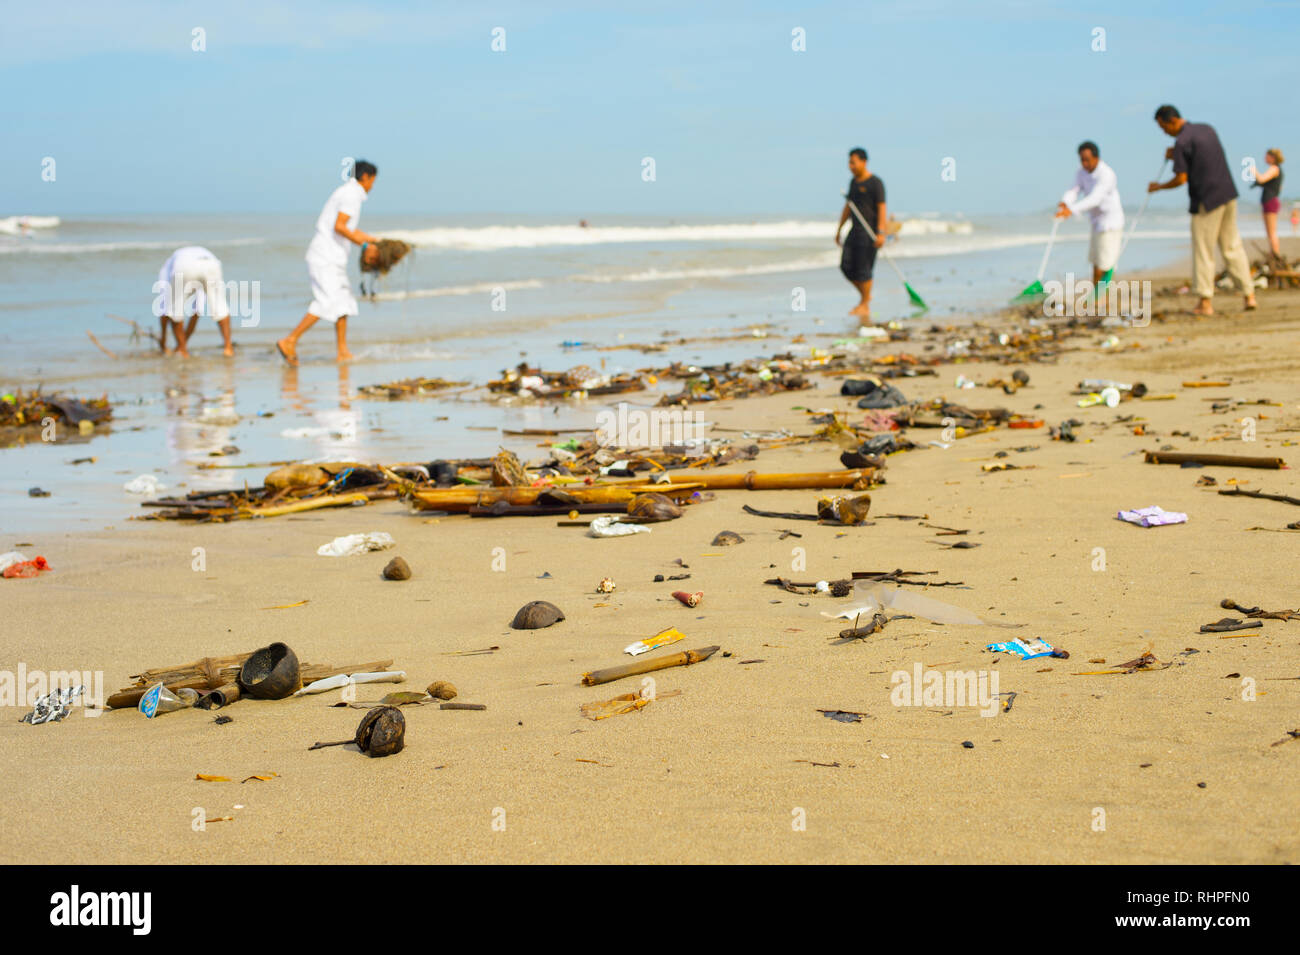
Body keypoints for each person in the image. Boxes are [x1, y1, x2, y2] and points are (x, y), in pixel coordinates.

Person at [1149, 106, 1256, 315]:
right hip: (1227, 194)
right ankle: (1249, 295)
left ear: (1170, 121)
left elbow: (1181, 178)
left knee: (1203, 251)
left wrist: (1158, 187)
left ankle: (1205, 302)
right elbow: (1201, 158)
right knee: (1232, 246)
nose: (1165, 132)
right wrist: (1177, 156)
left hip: (1206, 201)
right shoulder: (1206, 129)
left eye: (1163, 128)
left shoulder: (1181, 142)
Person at [277, 161, 382, 366]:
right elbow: (340, 227)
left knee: (344, 302)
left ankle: (342, 351)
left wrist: (373, 241)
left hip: (331, 257)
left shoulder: (346, 192)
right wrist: (364, 245)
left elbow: (348, 228)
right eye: (373, 181)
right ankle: (290, 340)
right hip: (326, 258)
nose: (372, 186)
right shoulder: (352, 195)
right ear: (366, 177)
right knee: (327, 302)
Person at [1056, 141, 1124, 286]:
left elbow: (1095, 199)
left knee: (1106, 263)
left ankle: (1102, 297)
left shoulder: (1107, 174)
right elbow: (1074, 189)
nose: (1084, 163)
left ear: (1096, 158)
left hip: (1110, 223)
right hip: (1096, 222)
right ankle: (1095, 294)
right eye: (1081, 159)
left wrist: (1071, 210)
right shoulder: (1081, 172)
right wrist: (1065, 202)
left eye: (1087, 159)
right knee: (1095, 261)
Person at [835, 147, 887, 319]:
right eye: (849, 162)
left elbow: (882, 208)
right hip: (854, 231)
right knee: (846, 267)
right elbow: (848, 208)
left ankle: (864, 304)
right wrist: (839, 229)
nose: (850, 166)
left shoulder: (875, 183)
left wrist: (881, 232)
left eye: (853, 162)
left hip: (870, 233)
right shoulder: (853, 183)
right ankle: (865, 297)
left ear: (864, 162)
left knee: (865, 270)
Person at [154, 246, 232, 358]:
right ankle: (228, 348)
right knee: (220, 306)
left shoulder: (166, 269)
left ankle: (183, 352)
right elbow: (197, 311)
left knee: (174, 309)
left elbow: (165, 310)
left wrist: (163, 341)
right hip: (211, 263)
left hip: (184, 266)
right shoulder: (187, 255)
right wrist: (183, 341)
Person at [1248, 149, 1284, 257]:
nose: (1264, 159)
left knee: (1272, 231)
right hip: (1269, 201)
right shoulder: (1276, 170)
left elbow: (1262, 179)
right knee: (1269, 231)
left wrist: (1254, 171)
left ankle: (1276, 254)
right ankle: (1273, 253)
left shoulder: (1274, 168)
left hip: (1270, 201)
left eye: (1266, 156)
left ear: (1272, 157)